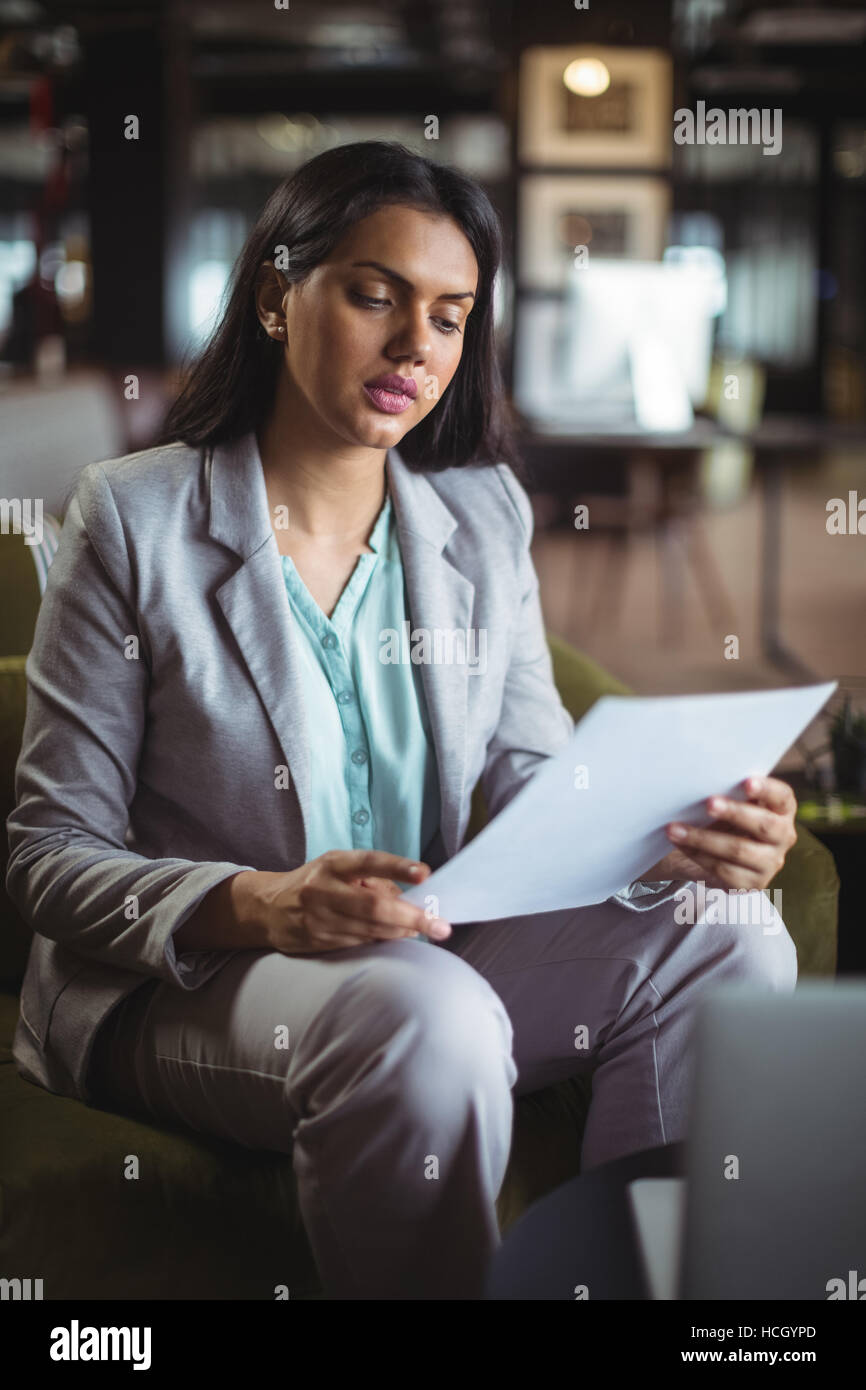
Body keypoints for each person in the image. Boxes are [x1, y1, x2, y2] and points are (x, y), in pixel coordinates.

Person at [6, 140, 799, 1301]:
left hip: (421, 946)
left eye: (447, 314)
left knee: (725, 927)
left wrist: (678, 832)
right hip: (188, 986)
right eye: (374, 295)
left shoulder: (477, 514)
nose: (413, 347)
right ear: (278, 295)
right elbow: (45, 855)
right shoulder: (134, 517)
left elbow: (534, 769)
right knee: (424, 1018)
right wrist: (264, 903)